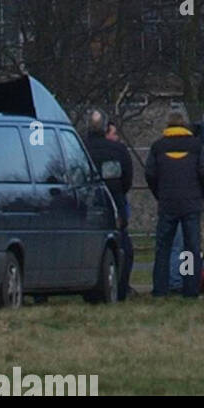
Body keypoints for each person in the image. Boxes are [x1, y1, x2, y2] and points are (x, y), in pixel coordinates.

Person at [145, 107, 204, 298]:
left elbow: (150, 173)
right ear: (185, 124)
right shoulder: (196, 145)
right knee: (191, 248)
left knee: (163, 248)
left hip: (167, 202)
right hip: (191, 203)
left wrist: (159, 193)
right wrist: (200, 193)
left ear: (167, 124)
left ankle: (161, 289)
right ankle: (190, 288)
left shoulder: (158, 147)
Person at [85, 111, 134, 300]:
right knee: (122, 249)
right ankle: (120, 289)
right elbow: (127, 178)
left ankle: (90, 290)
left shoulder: (80, 148)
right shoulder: (118, 150)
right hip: (114, 204)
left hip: (86, 206)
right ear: (106, 128)